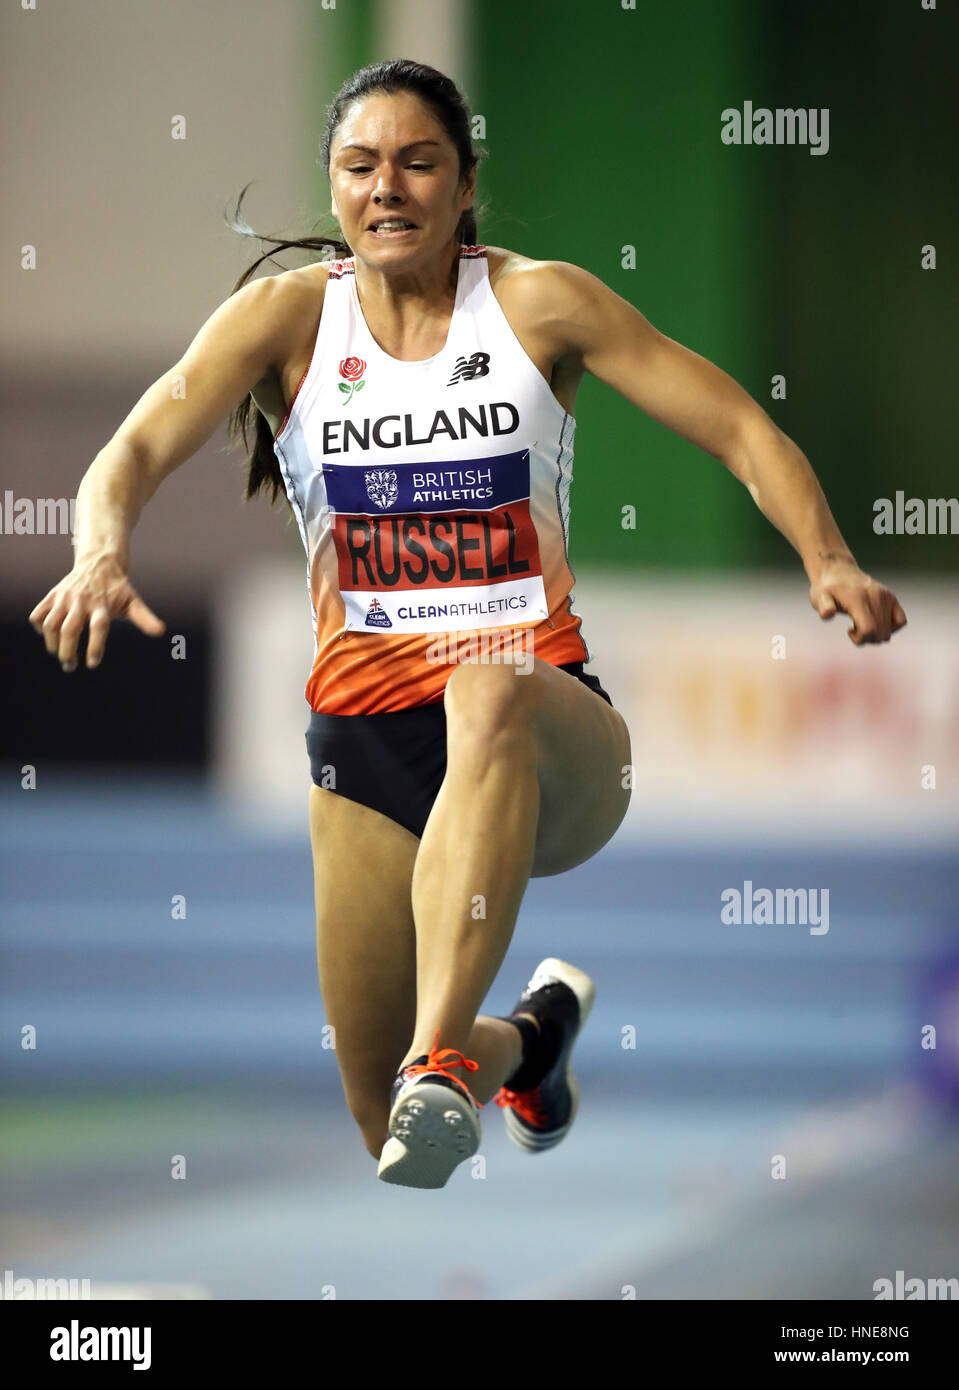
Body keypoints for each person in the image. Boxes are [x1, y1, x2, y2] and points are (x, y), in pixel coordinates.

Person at [28, 60, 907, 1191]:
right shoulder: (288, 323)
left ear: (463, 179)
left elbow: (736, 425)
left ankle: (443, 1055)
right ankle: (527, 1040)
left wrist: (825, 553)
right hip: (364, 742)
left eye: (416, 160)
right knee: (373, 1115)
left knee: (483, 686)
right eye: (359, 166)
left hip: (546, 727)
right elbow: (135, 447)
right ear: (335, 188)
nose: (386, 186)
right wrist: (100, 549)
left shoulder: (540, 304)